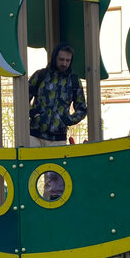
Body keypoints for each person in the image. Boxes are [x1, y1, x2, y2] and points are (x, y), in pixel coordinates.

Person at [29, 42, 87, 199]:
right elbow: (23, 97)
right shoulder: (40, 75)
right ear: (54, 58)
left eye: (68, 60)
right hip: (34, 134)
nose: (64, 63)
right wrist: (34, 114)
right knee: (29, 172)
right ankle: (31, 206)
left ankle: (50, 207)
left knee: (55, 181)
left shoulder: (74, 81)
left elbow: (82, 108)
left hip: (58, 137)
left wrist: (67, 120)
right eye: (61, 59)